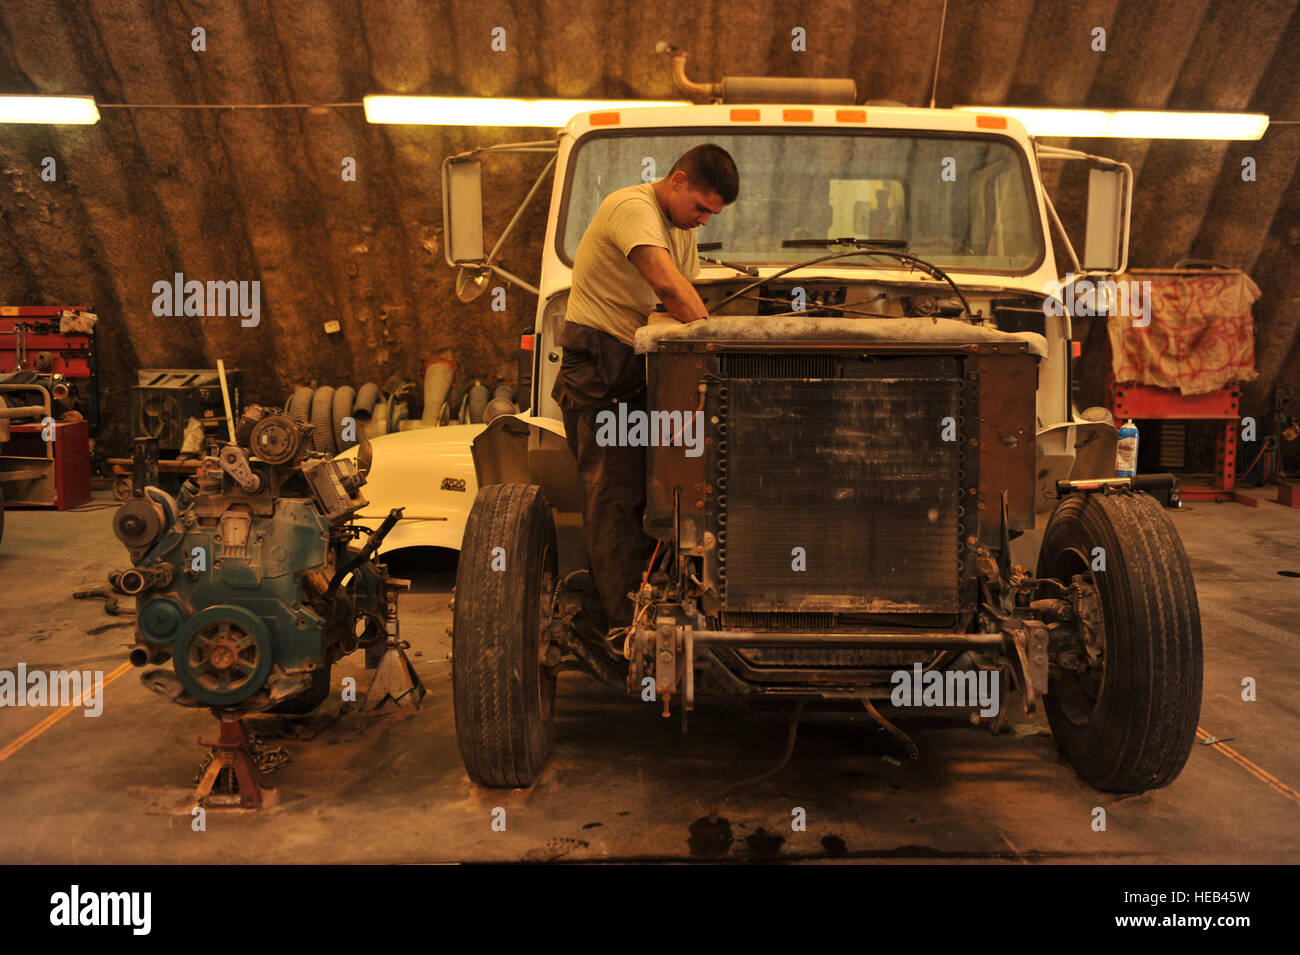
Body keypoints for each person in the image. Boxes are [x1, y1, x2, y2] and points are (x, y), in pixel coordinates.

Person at [551, 144, 739, 631]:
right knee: (615, 500)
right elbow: (670, 290)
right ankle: (625, 633)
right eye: (700, 207)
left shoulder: (680, 229)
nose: (703, 221)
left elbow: (673, 300)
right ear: (677, 180)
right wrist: (720, 342)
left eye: (711, 214)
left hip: (633, 370)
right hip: (600, 371)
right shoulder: (631, 208)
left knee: (656, 497)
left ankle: (664, 606)